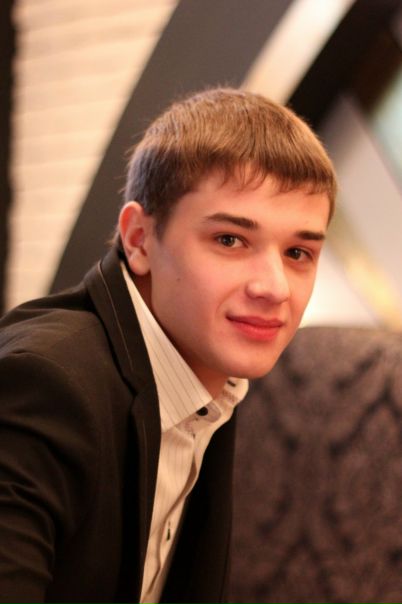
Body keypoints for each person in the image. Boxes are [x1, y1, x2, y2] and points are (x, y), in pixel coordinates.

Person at [0, 87, 336, 603]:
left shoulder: (209, 381)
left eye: (298, 253)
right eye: (230, 240)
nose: (274, 288)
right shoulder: (45, 384)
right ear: (139, 239)